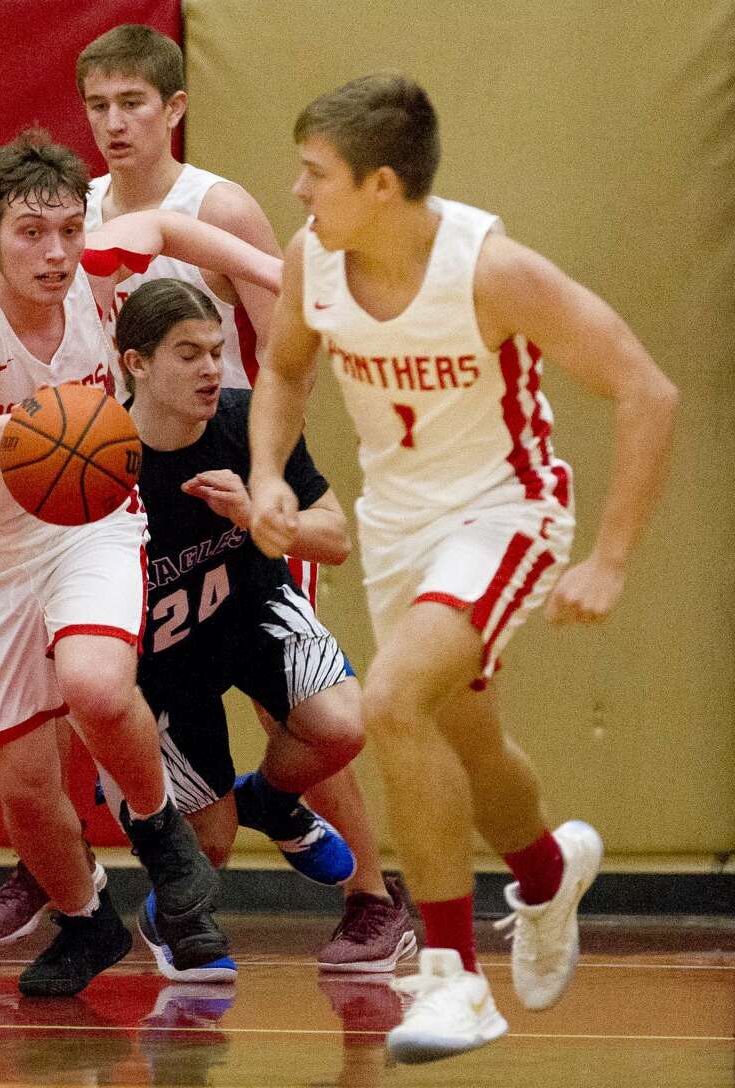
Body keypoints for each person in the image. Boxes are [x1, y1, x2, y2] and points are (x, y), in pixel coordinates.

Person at [0, 23, 415, 973]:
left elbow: (284, 343)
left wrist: (268, 469)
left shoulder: (217, 204)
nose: (114, 123)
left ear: (173, 109)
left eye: (134, 103)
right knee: (81, 675)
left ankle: (369, 889)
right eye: (98, 105)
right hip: (114, 467)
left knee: (304, 712)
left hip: (226, 464)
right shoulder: (70, 210)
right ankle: (46, 853)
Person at [248, 73, 678, 1063]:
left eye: (317, 173)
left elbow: (645, 389)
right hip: (399, 528)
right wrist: (269, 471)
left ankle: (451, 977)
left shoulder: (493, 270)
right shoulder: (314, 258)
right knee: (467, 744)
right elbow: (283, 367)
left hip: (505, 512)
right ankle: (544, 869)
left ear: (384, 184)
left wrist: (609, 559)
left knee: (389, 701)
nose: (300, 190)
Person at [0, 128, 281, 998]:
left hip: (89, 521)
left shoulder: (100, 264)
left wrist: (271, 276)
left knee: (100, 686)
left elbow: (171, 233)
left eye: (70, 229)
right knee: (27, 785)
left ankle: (161, 835)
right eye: (32, 234)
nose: (57, 252)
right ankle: (86, 921)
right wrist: (55, 421)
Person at [105, 277, 411, 985]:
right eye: (189, 354)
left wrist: (260, 518)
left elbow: (333, 538)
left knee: (342, 725)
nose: (212, 368)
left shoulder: (250, 424)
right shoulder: (102, 461)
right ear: (136, 363)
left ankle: (272, 799)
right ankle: (167, 913)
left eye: (217, 350)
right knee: (208, 845)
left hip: (252, 615)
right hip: (165, 664)